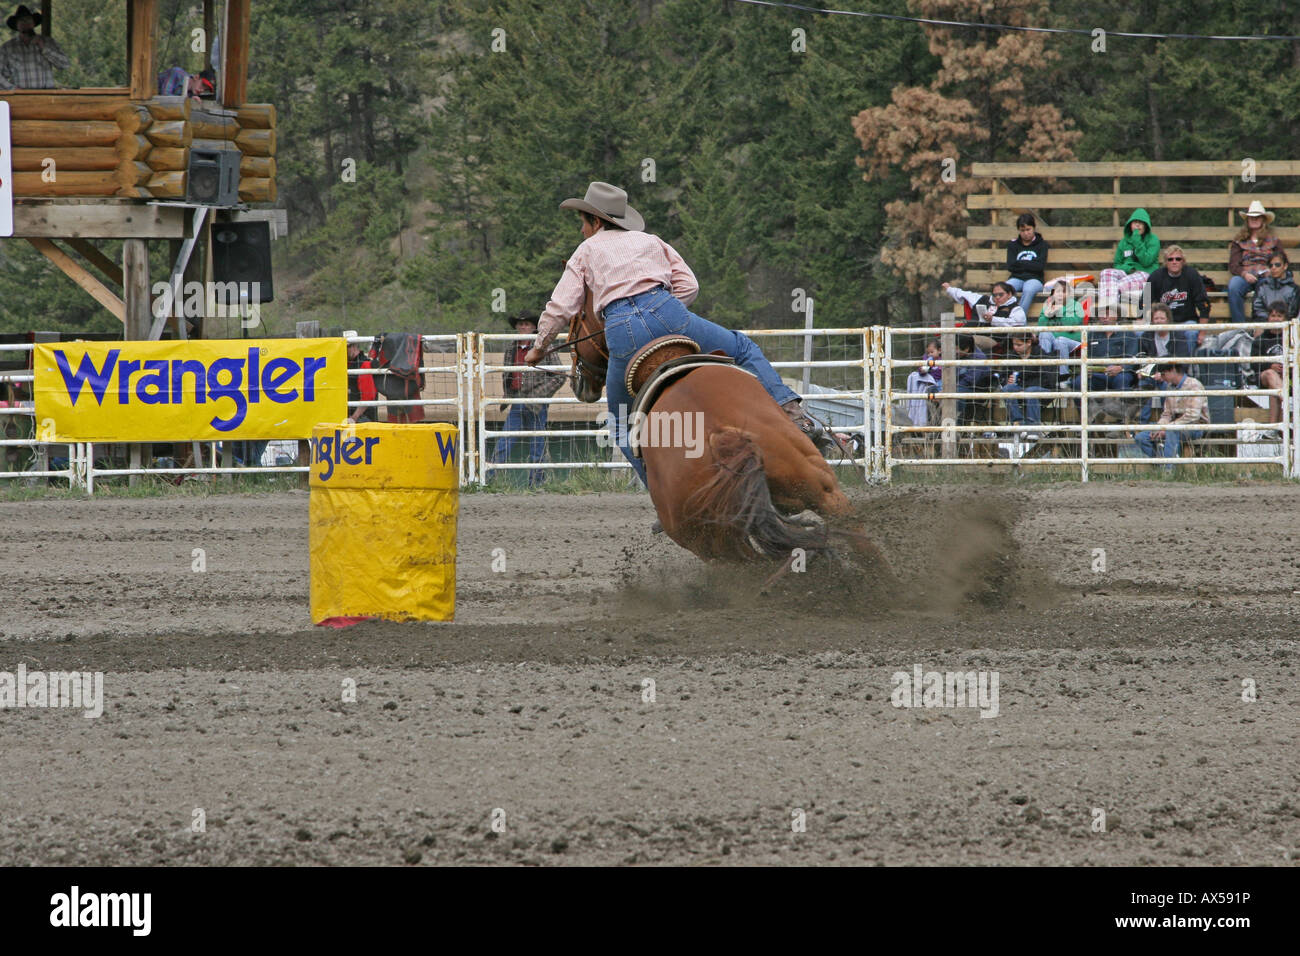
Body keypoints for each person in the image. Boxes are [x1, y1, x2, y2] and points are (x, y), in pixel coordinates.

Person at [523, 181, 838, 486]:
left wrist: (539, 347)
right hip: (668, 311)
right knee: (742, 348)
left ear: (595, 220)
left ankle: (661, 492)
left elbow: (561, 307)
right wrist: (663, 312)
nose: (581, 229)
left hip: (622, 329)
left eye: (582, 221)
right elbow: (690, 285)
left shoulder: (585, 251)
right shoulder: (651, 241)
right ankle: (794, 414)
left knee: (620, 423)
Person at [494, 309, 565, 487]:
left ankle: (536, 483)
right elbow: (508, 375)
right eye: (520, 324)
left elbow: (560, 375)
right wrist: (508, 394)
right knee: (504, 442)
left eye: (527, 324)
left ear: (534, 327)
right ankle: (491, 479)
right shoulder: (511, 349)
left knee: (536, 444)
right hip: (517, 400)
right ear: (517, 327)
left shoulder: (543, 346)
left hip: (536, 403)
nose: (523, 327)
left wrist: (538, 395)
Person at [1135, 361, 1208, 463]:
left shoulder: (1194, 385)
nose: (1162, 377)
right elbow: (1167, 413)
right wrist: (1159, 427)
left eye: (1163, 374)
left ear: (1173, 370)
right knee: (1141, 438)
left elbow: (1193, 416)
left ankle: (1168, 469)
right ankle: (1163, 464)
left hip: (1195, 427)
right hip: (1174, 426)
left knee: (1171, 433)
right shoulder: (1170, 387)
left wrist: (1167, 428)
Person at [1228, 201, 1284, 328]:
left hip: (1266, 275)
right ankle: (1239, 328)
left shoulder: (1274, 240)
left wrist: (1273, 270)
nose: (1254, 219)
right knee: (1233, 286)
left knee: (1266, 285)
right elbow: (1233, 264)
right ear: (1247, 220)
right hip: (1246, 275)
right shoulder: (1239, 241)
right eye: (1251, 217)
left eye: (1257, 217)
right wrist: (1244, 274)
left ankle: (1261, 326)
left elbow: (1282, 259)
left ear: (1263, 220)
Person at [1144, 245, 1211, 351]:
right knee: (1139, 332)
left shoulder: (1192, 275)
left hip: (1187, 321)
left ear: (1183, 261)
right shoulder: (1155, 276)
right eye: (1170, 259)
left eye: (1178, 259)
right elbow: (1143, 303)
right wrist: (1142, 324)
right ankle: (1153, 366)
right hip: (1162, 322)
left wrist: (1202, 333)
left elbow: (1204, 306)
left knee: (1192, 332)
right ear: (1166, 262)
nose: (1174, 262)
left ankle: (1187, 366)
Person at [1097, 208, 1160, 318]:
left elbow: (1146, 261)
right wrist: (1128, 269)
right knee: (1105, 273)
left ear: (1146, 226)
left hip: (1145, 274)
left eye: (1141, 223)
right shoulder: (1124, 242)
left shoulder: (1153, 240)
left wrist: (1137, 240)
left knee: (1114, 287)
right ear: (1129, 225)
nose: (1138, 226)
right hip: (1127, 273)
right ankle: (1110, 312)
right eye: (1135, 223)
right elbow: (1117, 264)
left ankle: (1109, 315)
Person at [0, 5, 69, 89]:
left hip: (46, 95)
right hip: (19, 98)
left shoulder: (48, 42)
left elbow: (64, 64)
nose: (26, 23)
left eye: (29, 20)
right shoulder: (7, 48)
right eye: (22, 21)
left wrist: (43, 47)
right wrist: (12, 89)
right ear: (16, 25)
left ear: (33, 23)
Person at [1000, 331, 1054, 436]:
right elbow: (1003, 375)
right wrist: (1007, 380)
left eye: (1019, 345)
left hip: (1042, 389)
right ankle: (1018, 423)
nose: (1015, 347)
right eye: (1014, 344)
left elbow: (1047, 379)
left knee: (1031, 391)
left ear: (1029, 342)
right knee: (1007, 389)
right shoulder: (1011, 356)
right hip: (1020, 388)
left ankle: (1033, 430)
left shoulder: (1040, 354)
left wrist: (1024, 386)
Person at [1003, 213, 1049, 317]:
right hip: (1016, 278)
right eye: (1022, 230)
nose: (1026, 233)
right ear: (1019, 230)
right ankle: (1003, 318)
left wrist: (1020, 263)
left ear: (1034, 228)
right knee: (1005, 289)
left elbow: (1040, 267)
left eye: (1028, 229)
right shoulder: (1013, 245)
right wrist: (1031, 264)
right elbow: (1010, 266)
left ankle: (1019, 321)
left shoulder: (1042, 245)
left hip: (1035, 279)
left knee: (1028, 289)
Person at [1036, 280, 1084, 375]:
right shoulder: (1048, 305)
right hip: (1052, 339)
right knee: (1044, 334)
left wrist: (1060, 311)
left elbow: (1072, 325)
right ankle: (1045, 374)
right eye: (1057, 291)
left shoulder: (1076, 305)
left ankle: (1063, 377)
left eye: (1064, 291)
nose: (1060, 294)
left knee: (1060, 340)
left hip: (1072, 340)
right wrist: (1048, 315)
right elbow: (1040, 326)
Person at [1249, 250, 1299, 322]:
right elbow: (1257, 311)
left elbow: (1292, 313)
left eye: (1277, 265)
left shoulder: (1294, 289)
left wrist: (1278, 320)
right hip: (1265, 326)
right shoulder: (1262, 287)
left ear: (1285, 266)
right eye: (1270, 265)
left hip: (1285, 327)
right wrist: (1270, 321)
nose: (1273, 268)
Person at [904, 338, 942, 426]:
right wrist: (922, 369)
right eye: (928, 353)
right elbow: (921, 369)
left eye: (932, 352)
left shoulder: (942, 360)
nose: (930, 354)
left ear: (939, 351)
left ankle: (939, 397)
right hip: (930, 381)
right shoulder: (926, 359)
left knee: (942, 386)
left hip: (940, 381)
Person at [344, 331, 377, 424]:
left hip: (363, 418)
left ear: (355, 346)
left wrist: (354, 417)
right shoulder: (345, 364)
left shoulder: (364, 364)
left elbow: (368, 396)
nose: (344, 350)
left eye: (347, 347)